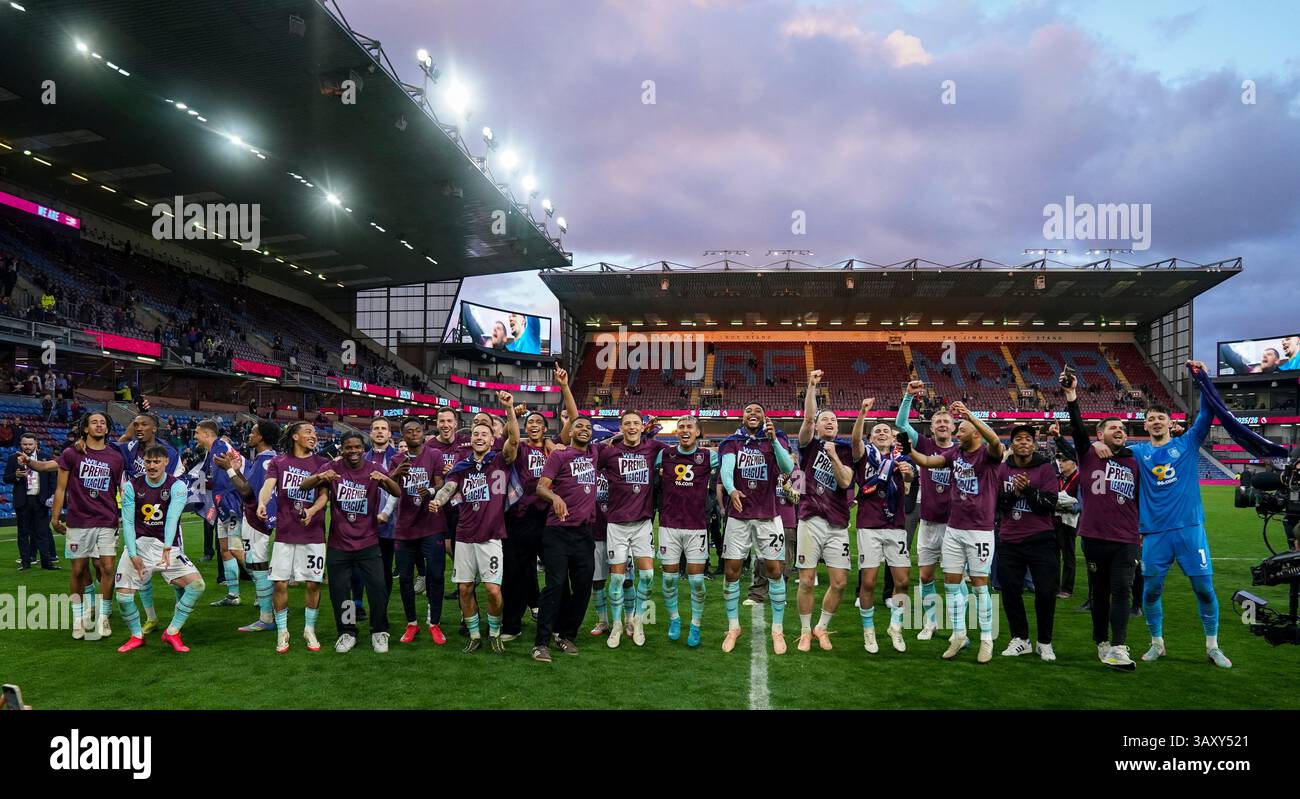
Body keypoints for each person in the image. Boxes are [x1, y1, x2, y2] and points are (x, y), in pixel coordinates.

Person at [1095, 361, 1232, 668]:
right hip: (1154, 533)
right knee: (1152, 589)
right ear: (1145, 426)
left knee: (1204, 589)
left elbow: (1209, 413)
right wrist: (1095, 444)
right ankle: (1157, 643)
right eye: (1151, 419)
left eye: (1161, 418)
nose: (1156, 421)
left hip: (1189, 529)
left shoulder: (1188, 443)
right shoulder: (1137, 452)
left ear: (1171, 424)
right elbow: (1105, 445)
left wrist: (1203, 380)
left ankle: (1213, 646)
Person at [909, 400, 1005, 662]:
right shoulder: (956, 455)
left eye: (961, 430)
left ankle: (986, 639)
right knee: (951, 585)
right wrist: (910, 452)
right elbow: (930, 461)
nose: (957, 435)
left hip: (980, 530)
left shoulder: (988, 454)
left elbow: (995, 441)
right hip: (954, 528)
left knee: (979, 586)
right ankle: (959, 634)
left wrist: (970, 416)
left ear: (975, 432)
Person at [1059, 371, 1140, 670]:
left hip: (1126, 539)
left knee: (1122, 590)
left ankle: (1118, 646)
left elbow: (1142, 498)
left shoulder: (1134, 460)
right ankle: (1100, 640)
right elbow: (1078, 429)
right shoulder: (1088, 454)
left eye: (1122, 427)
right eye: (1113, 427)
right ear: (1099, 434)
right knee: (1099, 593)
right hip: (1094, 536)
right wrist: (1072, 396)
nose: (1119, 430)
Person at [430, 391, 520, 654]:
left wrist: (510, 409)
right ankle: (474, 634)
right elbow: (448, 487)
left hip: (491, 536)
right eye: (475, 435)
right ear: (470, 440)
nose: (479, 437)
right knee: (465, 589)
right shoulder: (463, 464)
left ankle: (493, 632)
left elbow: (514, 439)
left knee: (493, 590)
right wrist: (438, 500)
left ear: (492, 439)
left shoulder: (500, 460)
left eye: (484, 434)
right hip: (465, 535)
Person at [27, 412, 126, 640]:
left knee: (107, 568)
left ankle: (103, 617)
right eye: (94, 422)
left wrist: (122, 515)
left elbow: (121, 490)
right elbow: (60, 489)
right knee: (78, 570)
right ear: (85, 428)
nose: (99, 425)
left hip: (106, 520)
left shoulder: (116, 457)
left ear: (108, 429)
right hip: (78, 521)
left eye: (103, 423)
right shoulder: (72, 453)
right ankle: (79, 619)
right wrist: (55, 517)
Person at [299, 431, 400, 653]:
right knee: (340, 591)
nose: (353, 451)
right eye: (348, 447)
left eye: (356, 447)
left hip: (368, 542)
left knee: (377, 589)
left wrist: (385, 479)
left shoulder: (374, 468)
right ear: (342, 449)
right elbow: (304, 486)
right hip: (339, 544)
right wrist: (320, 477)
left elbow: (397, 491)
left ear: (363, 449)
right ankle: (347, 631)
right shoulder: (333, 469)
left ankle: (379, 631)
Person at [718, 403, 797, 655]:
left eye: (758, 411)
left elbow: (787, 468)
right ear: (742, 416)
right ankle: (733, 626)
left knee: (775, 569)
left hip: (768, 515)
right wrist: (731, 489)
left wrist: (773, 440)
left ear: (765, 417)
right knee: (732, 571)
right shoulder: (732, 442)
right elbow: (727, 469)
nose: (753, 413)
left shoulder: (778, 437)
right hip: (738, 516)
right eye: (748, 410)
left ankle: (777, 628)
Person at [114, 445, 205, 653]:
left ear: (166, 462)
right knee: (123, 598)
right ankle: (136, 636)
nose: (152, 466)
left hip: (167, 547)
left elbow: (173, 516)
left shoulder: (177, 486)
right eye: (148, 462)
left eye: (156, 462)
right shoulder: (131, 486)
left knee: (197, 586)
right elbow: (127, 522)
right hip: (138, 545)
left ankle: (172, 632)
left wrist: (166, 547)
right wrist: (133, 554)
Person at [793, 370, 855, 652]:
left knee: (840, 583)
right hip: (811, 519)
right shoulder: (808, 446)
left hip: (838, 522)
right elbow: (807, 418)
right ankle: (805, 630)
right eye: (824, 419)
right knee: (806, 579)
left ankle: (822, 627)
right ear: (816, 427)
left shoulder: (846, 451)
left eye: (834, 419)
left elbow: (845, 481)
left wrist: (832, 455)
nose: (829, 422)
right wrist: (811, 387)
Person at [596, 409, 668, 648]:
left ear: (642, 426)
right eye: (627, 424)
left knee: (647, 575)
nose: (632, 427)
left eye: (636, 423)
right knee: (616, 579)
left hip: (642, 523)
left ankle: (637, 620)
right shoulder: (610, 453)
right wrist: (612, 438)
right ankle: (616, 624)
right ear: (621, 427)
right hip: (616, 524)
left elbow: (679, 452)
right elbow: (588, 454)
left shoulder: (652, 447)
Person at [532, 415, 601, 663]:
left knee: (583, 586)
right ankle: (540, 643)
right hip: (557, 532)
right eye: (579, 426)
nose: (584, 429)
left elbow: (618, 441)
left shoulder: (594, 453)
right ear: (569, 432)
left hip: (584, 533)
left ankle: (565, 634)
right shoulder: (559, 455)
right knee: (556, 585)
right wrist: (555, 498)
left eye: (588, 427)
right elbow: (541, 487)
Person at [257, 423, 330, 653]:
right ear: (295, 436)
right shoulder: (279, 462)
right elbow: (268, 486)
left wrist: (312, 511)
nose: (313, 435)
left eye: (314, 432)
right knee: (279, 582)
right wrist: (262, 502)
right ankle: (282, 630)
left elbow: (324, 496)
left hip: (313, 533)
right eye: (309, 432)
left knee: (313, 583)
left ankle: (309, 629)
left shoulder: (322, 463)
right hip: (285, 533)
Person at [895, 381, 959, 640]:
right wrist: (908, 397)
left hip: (956, 524)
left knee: (956, 579)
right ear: (931, 428)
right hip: (929, 522)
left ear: (954, 427)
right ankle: (930, 623)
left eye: (946, 421)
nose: (942, 424)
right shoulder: (924, 444)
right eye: (938, 422)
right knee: (925, 575)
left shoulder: (961, 449)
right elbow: (901, 424)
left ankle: (957, 628)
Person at [851, 400, 915, 653]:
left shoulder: (902, 459)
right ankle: (868, 632)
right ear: (870, 437)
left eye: (886, 431)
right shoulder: (863, 455)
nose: (881, 433)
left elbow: (909, 481)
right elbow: (856, 438)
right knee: (867, 582)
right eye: (877, 431)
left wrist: (908, 473)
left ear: (893, 439)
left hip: (895, 525)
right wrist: (862, 413)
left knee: (903, 581)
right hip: (868, 525)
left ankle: (895, 626)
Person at [995, 425, 1061, 662]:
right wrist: (1014, 493)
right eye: (1018, 439)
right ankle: (1020, 638)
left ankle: (1044, 642)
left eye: (1028, 439)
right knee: (1010, 592)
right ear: (1011, 445)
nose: (1023, 442)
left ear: (1034, 445)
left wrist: (1029, 490)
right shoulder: (1002, 469)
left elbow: (1049, 504)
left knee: (1045, 592)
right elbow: (997, 504)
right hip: (1009, 540)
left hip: (1041, 539)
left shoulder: (1045, 469)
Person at [655, 415, 718, 647]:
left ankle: (696, 625)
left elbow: (731, 466)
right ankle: (674, 619)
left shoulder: (710, 456)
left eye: (689, 427)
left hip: (696, 527)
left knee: (696, 582)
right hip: (669, 525)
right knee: (669, 580)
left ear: (698, 432)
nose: (684, 430)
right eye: (681, 427)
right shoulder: (664, 455)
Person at [389, 417, 451, 644]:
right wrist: (395, 474)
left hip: (431, 523)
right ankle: (411, 623)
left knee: (435, 575)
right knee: (405, 578)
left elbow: (441, 483)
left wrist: (432, 491)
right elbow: (392, 491)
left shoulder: (434, 454)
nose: (414, 433)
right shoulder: (396, 459)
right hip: (405, 527)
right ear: (402, 436)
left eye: (417, 430)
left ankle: (434, 622)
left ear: (423, 433)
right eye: (409, 431)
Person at [214, 420, 280, 632]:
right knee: (255, 563)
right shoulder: (265, 459)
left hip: (256, 520)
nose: (249, 435)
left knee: (257, 565)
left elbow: (247, 493)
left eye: (252, 432)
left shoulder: (264, 461)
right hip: (256, 518)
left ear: (261, 437)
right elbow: (250, 486)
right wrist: (235, 470)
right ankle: (267, 614)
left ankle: (267, 618)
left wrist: (228, 470)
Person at [196, 420, 245, 607]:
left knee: (237, 550)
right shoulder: (213, 451)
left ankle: (265, 591)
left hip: (231, 502)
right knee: (225, 550)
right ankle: (233, 595)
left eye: (197, 433)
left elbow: (238, 466)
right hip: (221, 504)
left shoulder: (221, 447)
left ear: (207, 434)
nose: (195, 437)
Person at [5, 434, 58, 570]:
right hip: (23, 501)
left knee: (43, 533)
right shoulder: (13, 459)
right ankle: (25, 563)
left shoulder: (44, 458)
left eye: (30, 444)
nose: (27, 447)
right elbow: (6, 478)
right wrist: (15, 476)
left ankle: (47, 563)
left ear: (36, 444)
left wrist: (51, 495)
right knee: (23, 533)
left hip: (40, 500)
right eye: (25, 444)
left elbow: (52, 478)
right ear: (20, 444)